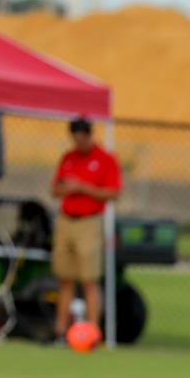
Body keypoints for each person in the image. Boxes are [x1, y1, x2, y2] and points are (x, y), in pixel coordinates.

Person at [51, 117, 122, 344]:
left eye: (81, 139)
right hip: (66, 220)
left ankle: (92, 332)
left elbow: (113, 193)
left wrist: (81, 187)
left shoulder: (105, 159)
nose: (78, 143)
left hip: (89, 222)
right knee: (65, 278)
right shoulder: (68, 157)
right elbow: (54, 189)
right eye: (75, 139)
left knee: (89, 280)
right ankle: (60, 332)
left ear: (89, 135)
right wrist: (66, 188)